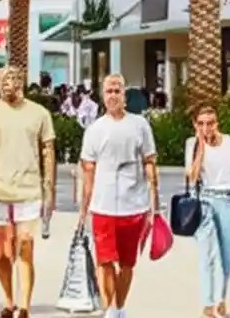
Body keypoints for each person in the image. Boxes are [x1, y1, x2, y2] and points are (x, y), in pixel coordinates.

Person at [0, 65, 56, 318]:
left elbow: (48, 151)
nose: (11, 82)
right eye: (5, 79)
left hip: (28, 191)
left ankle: (24, 305)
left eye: (15, 78)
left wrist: (49, 187)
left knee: (25, 247)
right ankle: (8, 300)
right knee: (1, 253)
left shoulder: (39, 114)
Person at [78, 73, 158, 318]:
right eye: (109, 91)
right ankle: (110, 308)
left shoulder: (140, 125)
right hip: (103, 207)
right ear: (102, 96)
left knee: (127, 263)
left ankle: (119, 307)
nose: (113, 95)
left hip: (133, 207)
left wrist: (154, 202)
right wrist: (84, 209)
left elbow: (149, 161)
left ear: (125, 95)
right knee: (104, 261)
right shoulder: (94, 129)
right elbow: (88, 171)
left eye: (117, 91)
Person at [186, 105, 230, 318]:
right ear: (195, 125)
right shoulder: (191, 145)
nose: (206, 128)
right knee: (207, 255)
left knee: (226, 255)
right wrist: (201, 148)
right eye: (201, 124)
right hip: (205, 202)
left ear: (217, 122)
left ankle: (221, 299)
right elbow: (192, 177)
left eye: (210, 123)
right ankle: (207, 304)